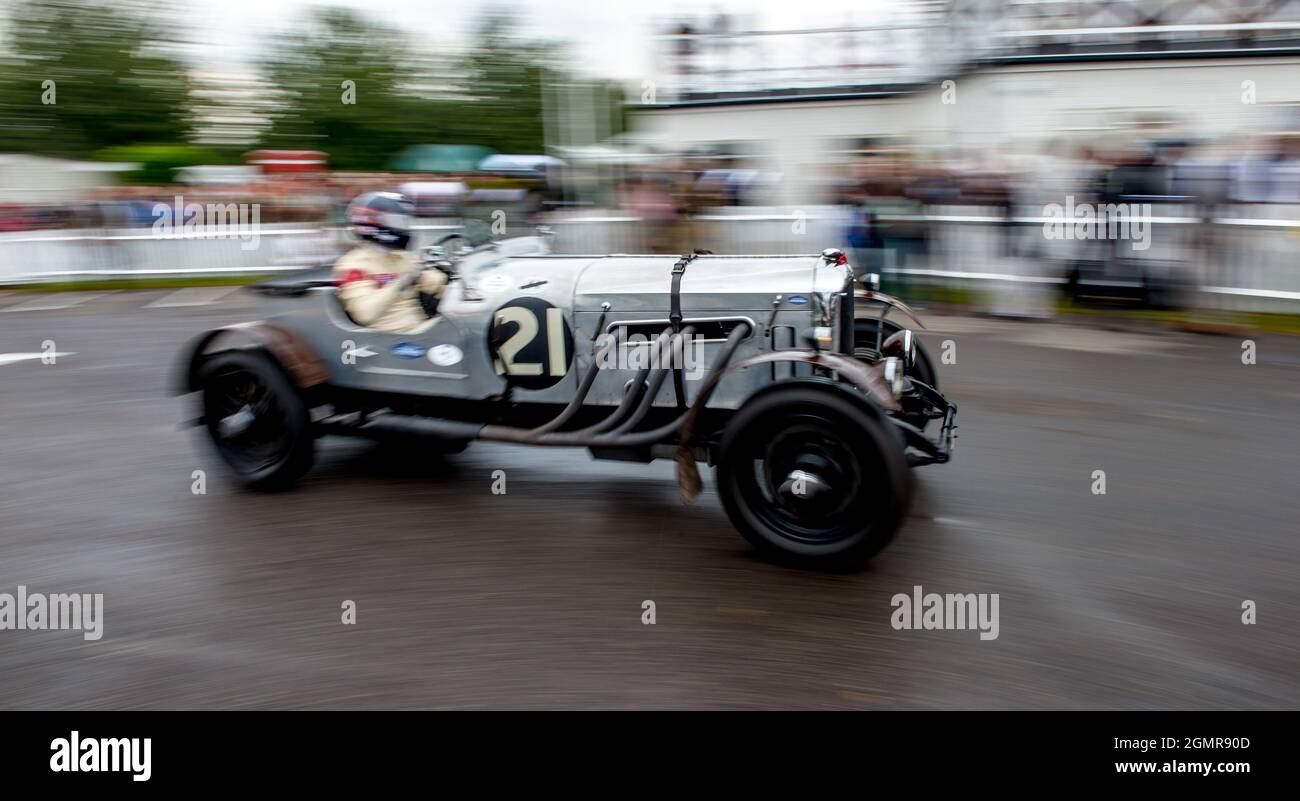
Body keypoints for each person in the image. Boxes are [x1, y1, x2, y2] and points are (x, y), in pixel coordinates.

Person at [333, 192, 446, 333]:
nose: (403, 227)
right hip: (393, 338)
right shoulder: (354, 264)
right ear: (373, 222)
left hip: (422, 329)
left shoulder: (403, 257)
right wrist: (402, 282)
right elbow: (365, 314)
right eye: (396, 221)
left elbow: (434, 286)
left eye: (404, 222)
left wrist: (443, 276)